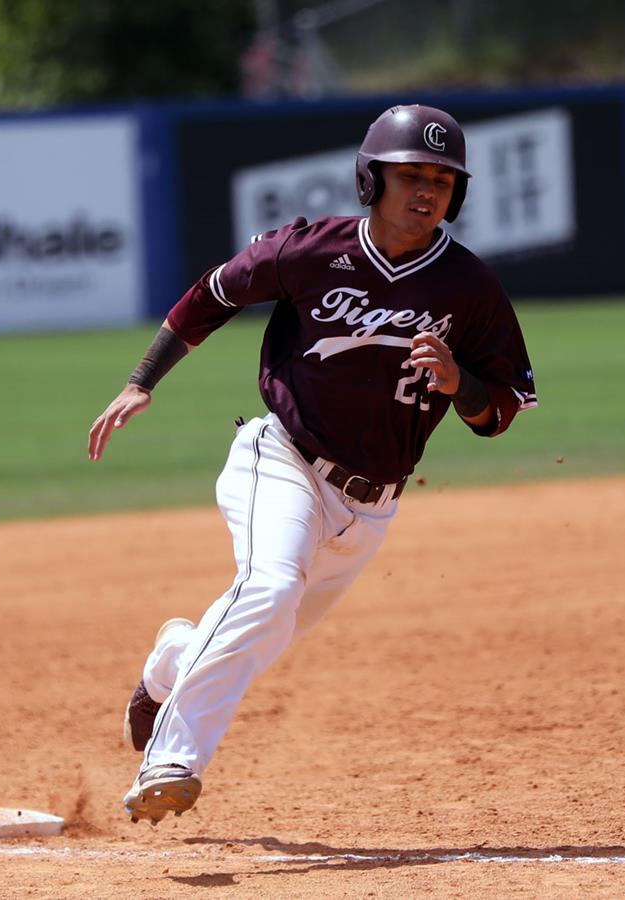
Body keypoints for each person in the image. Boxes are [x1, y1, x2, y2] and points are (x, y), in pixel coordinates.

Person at [87, 104, 538, 825]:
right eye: (410, 175)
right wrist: (142, 379)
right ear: (371, 180)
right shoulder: (308, 251)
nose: (427, 191)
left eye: (442, 181)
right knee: (266, 589)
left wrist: (464, 388)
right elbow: (213, 294)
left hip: (371, 509)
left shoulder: (469, 289)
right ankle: (171, 761)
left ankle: (169, 662)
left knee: (259, 635)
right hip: (283, 461)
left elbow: (501, 411)